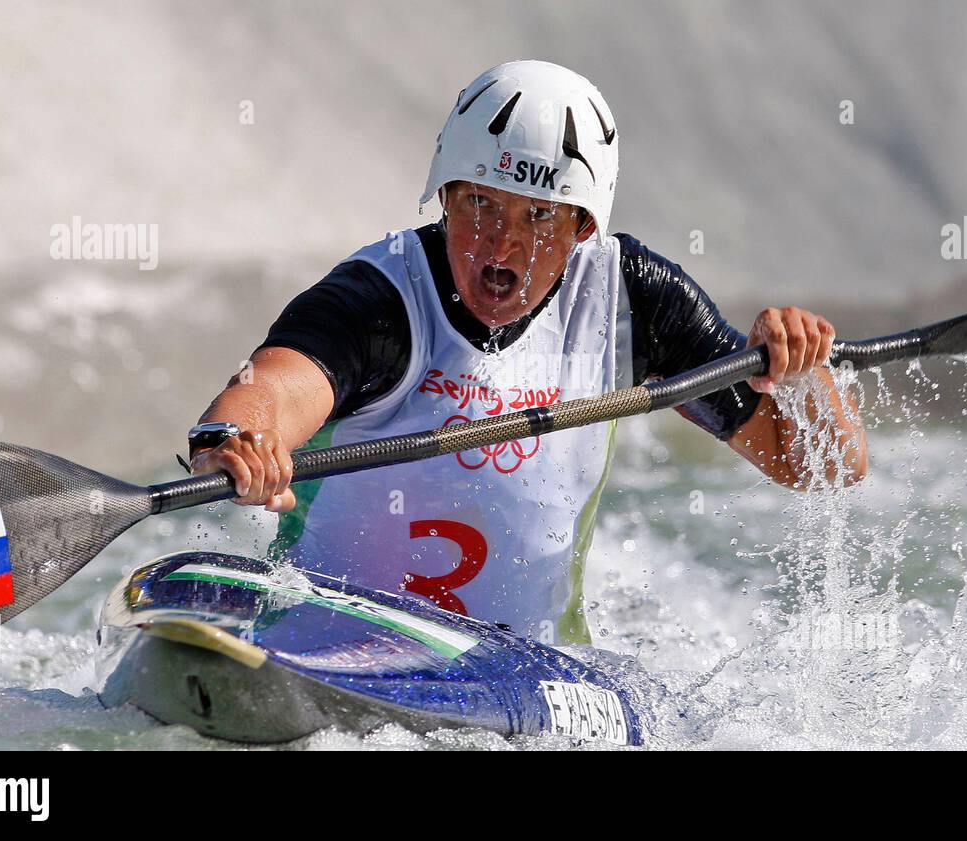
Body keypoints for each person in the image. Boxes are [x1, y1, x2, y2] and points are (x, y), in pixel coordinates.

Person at [188, 60, 867, 645]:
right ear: (446, 198)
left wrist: (807, 377)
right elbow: (272, 390)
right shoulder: (381, 298)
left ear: (582, 227)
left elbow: (823, 467)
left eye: (538, 216)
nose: (499, 248)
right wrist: (242, 439)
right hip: (324, 640)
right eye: (480, 203)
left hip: (533, 674)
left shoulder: (634, 303)